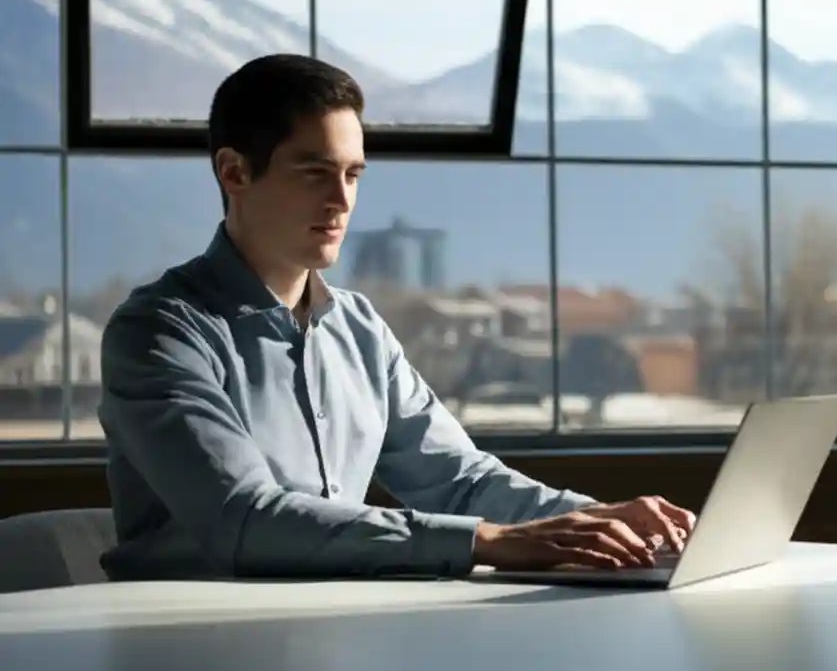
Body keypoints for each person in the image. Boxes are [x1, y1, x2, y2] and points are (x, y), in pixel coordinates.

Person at [97, 54, 695, 581]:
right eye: (314, 172)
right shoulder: (158, 332)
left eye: (353, 173)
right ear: (234, 173)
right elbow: (246, 519)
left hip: (336, 636)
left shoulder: (357, 327)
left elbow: (459, 482)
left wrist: (599, 519)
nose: (342, 200)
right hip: (184, 651)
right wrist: (487, 541)